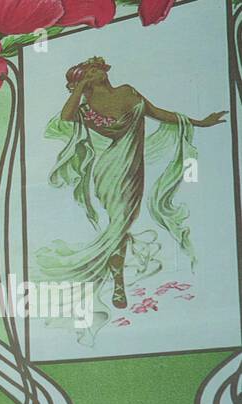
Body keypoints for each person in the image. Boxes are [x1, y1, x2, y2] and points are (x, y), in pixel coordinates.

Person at [37, 56, 224, 312]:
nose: (94, 72)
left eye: (95, 69)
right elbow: (66, 116)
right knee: (119, 224)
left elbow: (158, 113)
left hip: (134, 168)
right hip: (111, 169)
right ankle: (118, 284)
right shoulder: (85, 106)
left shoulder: (128, 91)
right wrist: (80, 88)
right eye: (88, 72)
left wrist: (199, 122)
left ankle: (115, 278)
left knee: (123, 224)